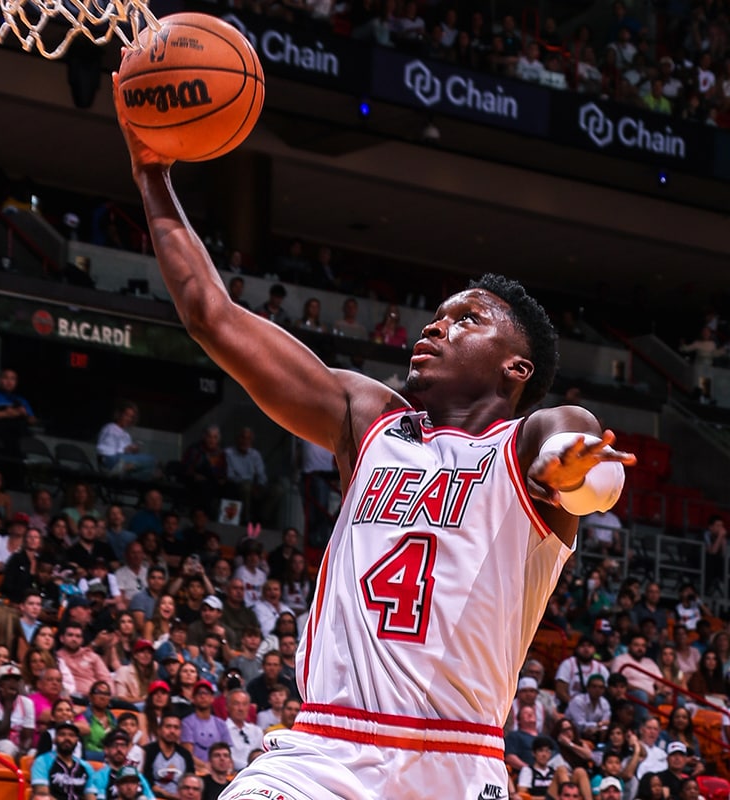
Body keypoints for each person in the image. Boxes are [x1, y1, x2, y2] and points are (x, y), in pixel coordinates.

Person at [114, 99, 635, 799]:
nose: (436, 327)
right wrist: (152, 175)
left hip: (453, 762)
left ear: (517, 370)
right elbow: (213, 316)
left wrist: (579, 474)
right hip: (324, 750)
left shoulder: (524, 441)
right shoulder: (369, 421)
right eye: (438, 315)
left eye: (467, 320)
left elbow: (581, 465)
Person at [0, 368, 38, 454]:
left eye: (13, 379)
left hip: (16, 441)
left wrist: (25, 414)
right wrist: (5, 414)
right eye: (6, 378)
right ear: (0, 380)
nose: (9, 382)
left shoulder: (21, 400)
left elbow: (33, 421)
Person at [31, 720, 95, 800]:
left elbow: (90, 796)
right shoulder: (42, 761)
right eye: (62, 734)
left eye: (71, 735)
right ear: (55, 739)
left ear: (77, 740)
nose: (67, 738)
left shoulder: (86, 767)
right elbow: (42, 793)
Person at [85, 728, 155, 800]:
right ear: (106, 749)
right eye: (115, 745)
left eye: (123, 745)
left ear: (128, 749)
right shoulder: (98, 776)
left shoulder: (138, 776)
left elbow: (151, 798)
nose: (119, 749)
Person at [97, 401, 156, 480]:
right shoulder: (110, 428)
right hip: (110, 459)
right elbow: (105, 451)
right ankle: (116, 471)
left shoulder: (126, 435)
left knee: (150, 471)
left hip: (123, 460)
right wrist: (125, 450)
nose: (129, 419)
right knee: (151, 460)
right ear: (119, 414)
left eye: (131, 417)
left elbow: (126, 453)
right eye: (126, 415)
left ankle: (124, 474)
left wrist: (132, 451)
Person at [142, 712, 195, 800]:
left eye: (176, 728)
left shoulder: (185, 755)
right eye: (168, 727)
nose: (172, 731)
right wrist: (167, 795)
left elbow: (190, 781)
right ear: (159, 730)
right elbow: (145, 780)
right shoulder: (148, 751)